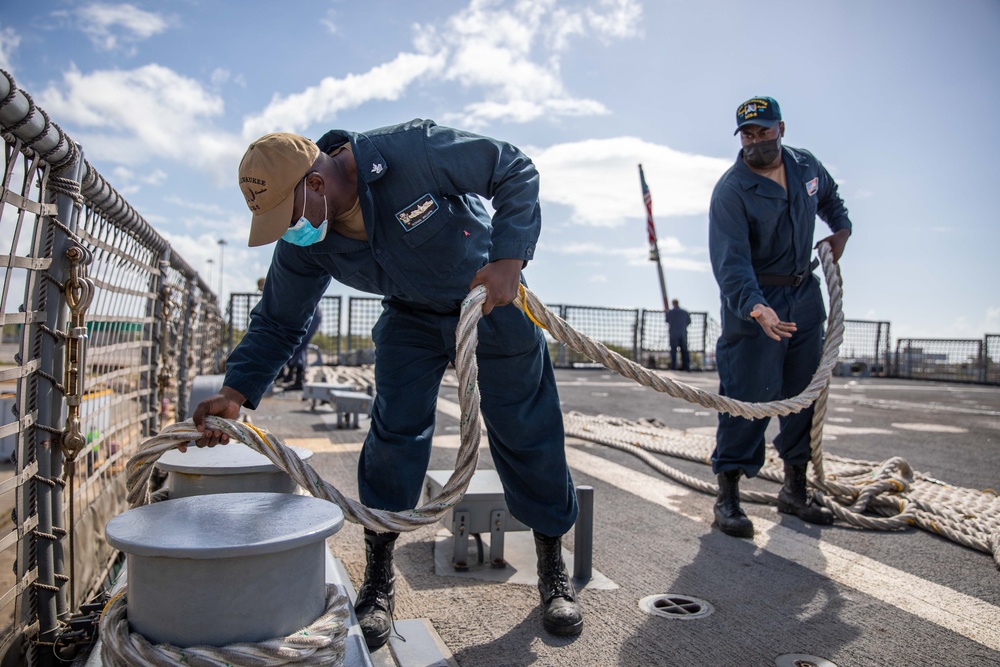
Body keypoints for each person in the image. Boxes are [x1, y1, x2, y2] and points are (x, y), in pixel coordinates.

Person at [192, 121, 583, 648]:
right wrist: (235, 392)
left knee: (525, 426)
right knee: (394, 431)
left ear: (314, 184)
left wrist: (508, 260)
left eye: (285, 219)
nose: (287, 233)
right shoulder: (306, 240)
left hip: (491, 298)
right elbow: (279, 320)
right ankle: (379, 576)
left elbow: (512, 167)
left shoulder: (411, 151)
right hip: (410, 317)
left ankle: (551, 568)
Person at [708, 96, 851, 538]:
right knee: (748, 397)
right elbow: (731, 263)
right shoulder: (732, 190)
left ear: (781, 128)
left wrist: (840, 231)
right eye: (747, 135)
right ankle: (727, 495)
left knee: (803, 391)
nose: (755, 142)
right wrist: (756, 308)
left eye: (763, 132)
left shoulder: (806, 167)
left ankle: (794, 489)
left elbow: (831, 198)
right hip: (756, 301)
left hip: (804, 296)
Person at [664, 299, 691, 371]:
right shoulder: (684, 312)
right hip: (683, 333)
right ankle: (686, 367)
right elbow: (689, 321)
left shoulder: (670, 312)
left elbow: (667, 320)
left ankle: (673, 366)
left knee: (673, 350)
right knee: (684, 350)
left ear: (673, 304)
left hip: (673, 333)